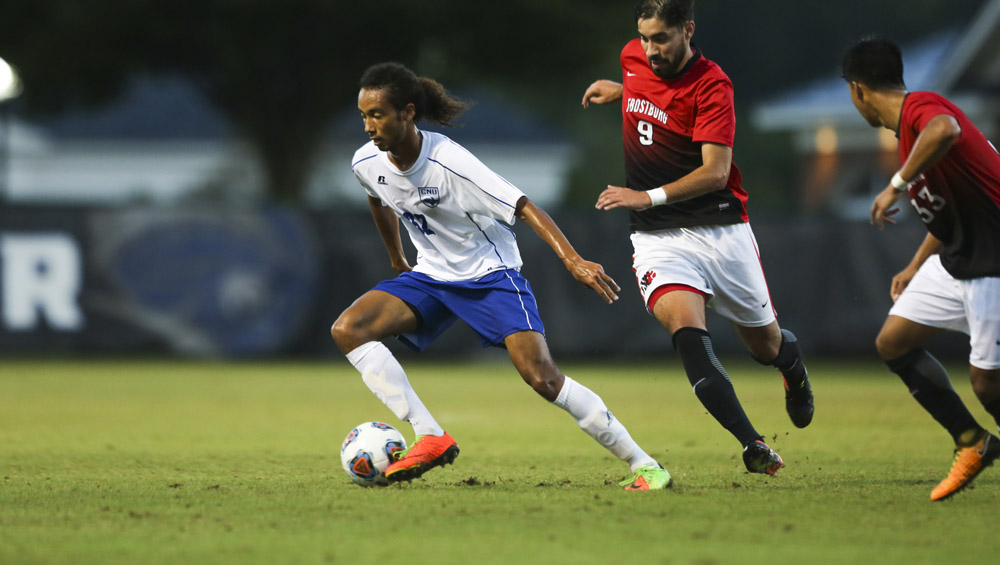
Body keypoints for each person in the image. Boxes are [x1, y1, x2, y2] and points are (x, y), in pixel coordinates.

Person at [332, 61, 672, 490]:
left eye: (377, 114)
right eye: (364, 115)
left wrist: (573, 260)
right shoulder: (367, 161)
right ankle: (430, 434)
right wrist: (399, 259)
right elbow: (377, 197)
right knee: (350, 329)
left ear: (408, 112)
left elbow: (526, 207)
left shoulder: (451, 163)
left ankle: (645, 465)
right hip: (432, 277)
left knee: (543, 378)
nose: (368, 126)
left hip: (490, 276)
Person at [580, 0, 813, 476]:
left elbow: (716, 172)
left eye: (661, 38)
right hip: (658, 239)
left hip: (721, 229)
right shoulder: (633, 60)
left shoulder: (713, 84)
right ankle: (753, 444)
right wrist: (623, 91)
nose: (650, 49)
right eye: (644, 38)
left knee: (764, 347)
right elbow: (654, 99)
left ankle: (792, 365)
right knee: (688, 336)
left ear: (687, 30)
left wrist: (645, 196)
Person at [842, 36, 1000, 501]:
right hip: (956, 258)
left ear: (857, 90)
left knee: (987, 383)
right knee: (894, 342)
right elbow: (954, 211)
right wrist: (914, 265)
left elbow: (946, 129)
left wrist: (894, 186)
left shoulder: (922, 110)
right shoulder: (910, 136)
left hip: (993, 260)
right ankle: (973, 443)